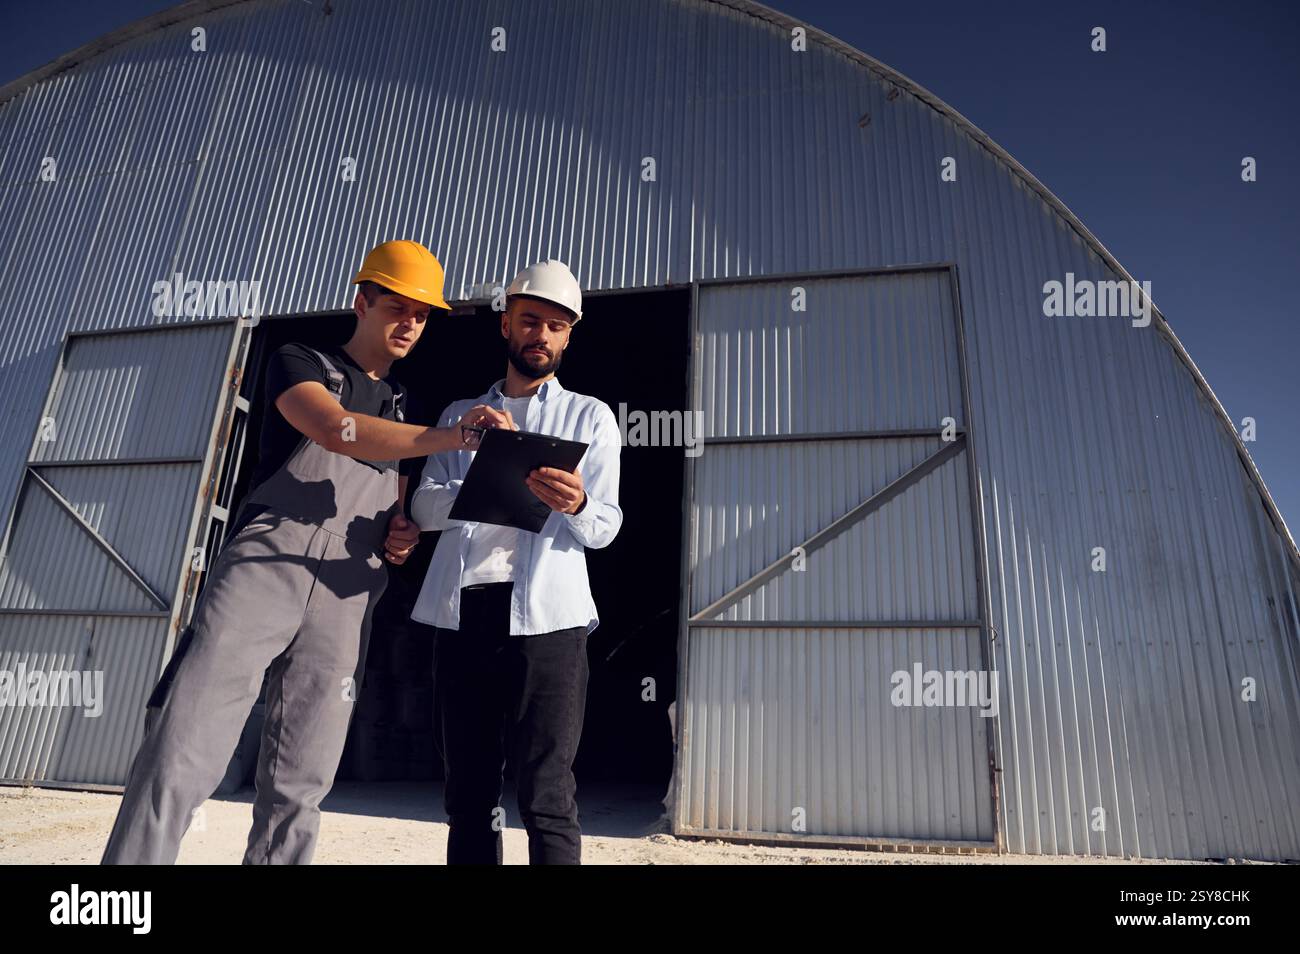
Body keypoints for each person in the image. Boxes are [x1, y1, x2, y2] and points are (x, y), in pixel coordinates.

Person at [101, 240, 510, 864]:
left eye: (422, 315)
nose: (409, 323)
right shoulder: (304, 361)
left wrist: (400, 538)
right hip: (271, 561)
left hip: (350, 584)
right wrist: (457, 435)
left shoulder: (405, 406)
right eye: (397, 307)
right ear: (362, 300)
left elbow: (394, 512)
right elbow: (331, 428)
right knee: (184, 740)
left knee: (304, 772)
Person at [410, 259, 623, 865]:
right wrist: (486, 463)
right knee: (469, 793)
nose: (542, 336)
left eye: (557, 326)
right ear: (506, 324)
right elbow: (423, 510)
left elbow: (606, 527)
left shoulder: (590, 418)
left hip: (550, 624)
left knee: (548, 794)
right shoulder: (458, 417)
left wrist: (578, 502)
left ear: (569, 336)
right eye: (530, 321)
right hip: (464, 618)